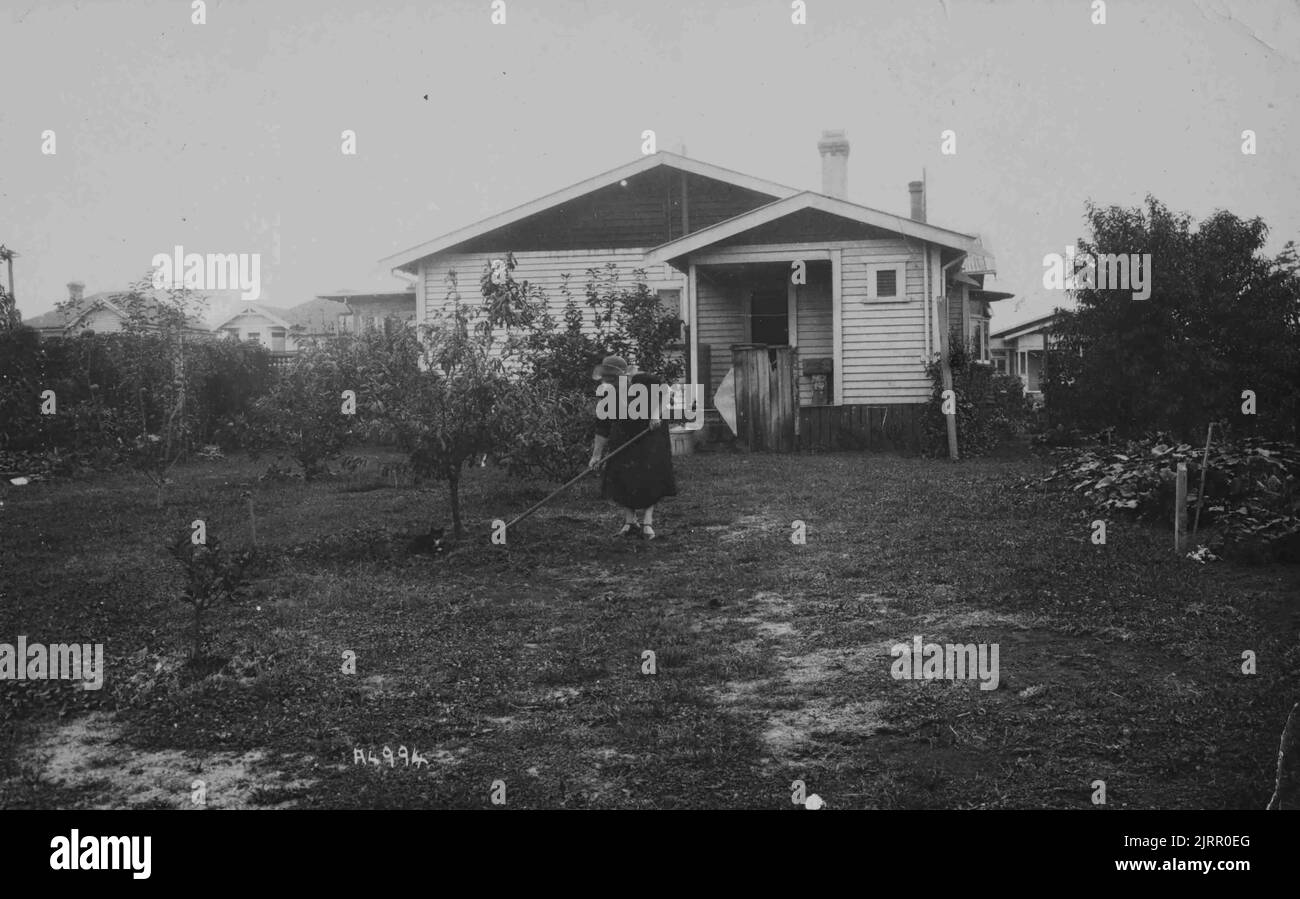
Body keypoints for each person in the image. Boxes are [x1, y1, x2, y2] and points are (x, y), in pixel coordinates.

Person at [589, 355, 677, 539]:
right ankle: (630, 522)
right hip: (625, 433)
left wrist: (655, 414)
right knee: (621, 473)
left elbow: (667, 391)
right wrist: (596, 455)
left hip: (651, 431)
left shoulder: (645, 381)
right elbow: (602, 427)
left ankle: (647, 523)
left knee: (650, 474)